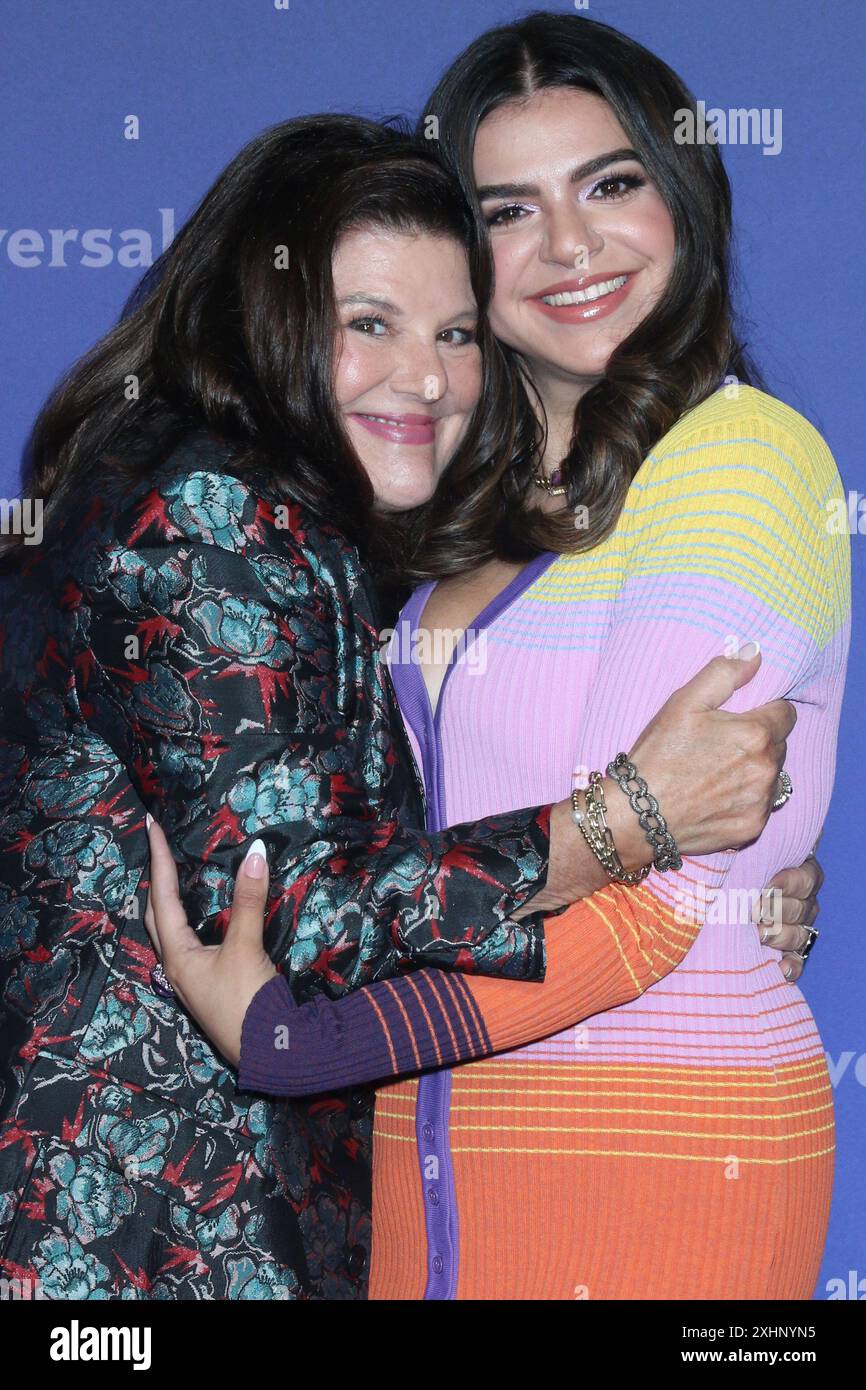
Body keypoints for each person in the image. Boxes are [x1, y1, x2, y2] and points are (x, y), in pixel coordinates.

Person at [0, 112, 805, 1301]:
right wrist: (628, 820)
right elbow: (301, 914)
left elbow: (371, 833)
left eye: (456, 334)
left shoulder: (292, 510)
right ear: (261, 319)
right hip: (147, 1250)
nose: (425, 377)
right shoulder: (209, 515)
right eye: (367, 325)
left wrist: (743, 887)